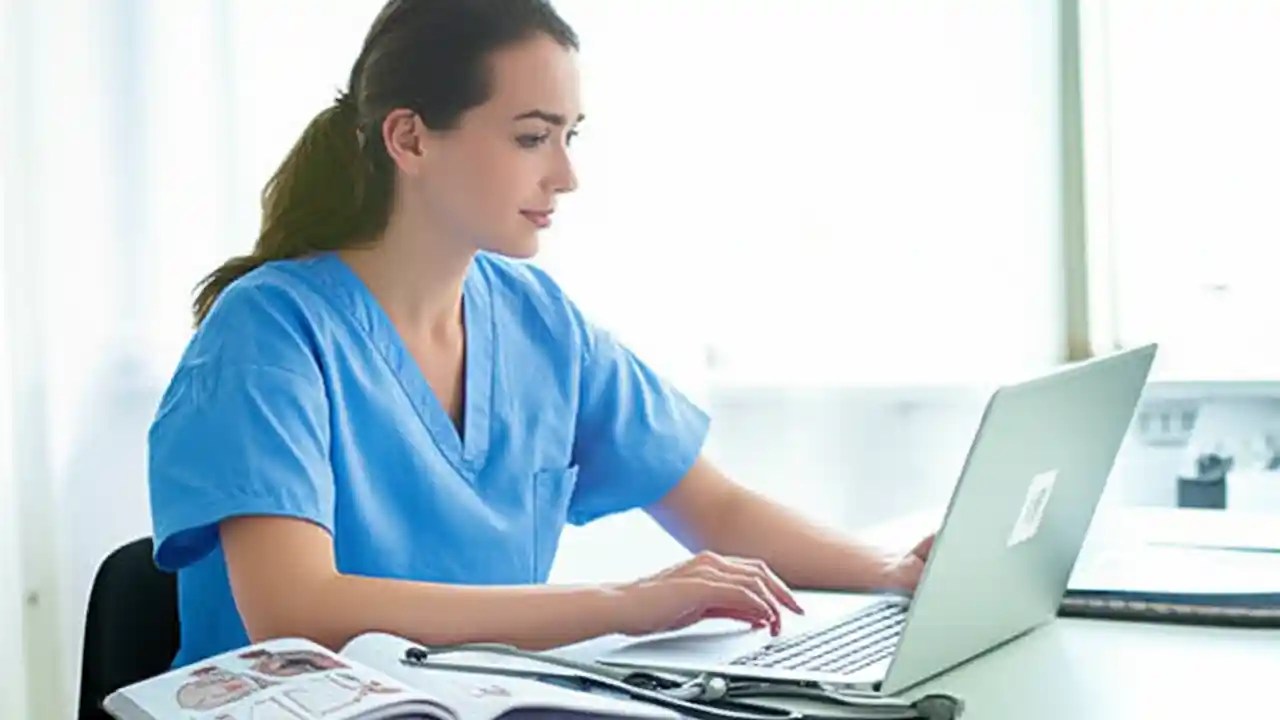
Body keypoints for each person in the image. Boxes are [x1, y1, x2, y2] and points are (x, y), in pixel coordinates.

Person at [148, 0, 935, 669]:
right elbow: (300, 611)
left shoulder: (537, 323)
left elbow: (716, 508)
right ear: (410, 139)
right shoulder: (268, 333)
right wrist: (621, 603)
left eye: (571, 136)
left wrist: (892, 570)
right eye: (532, 137)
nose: (565, 174)